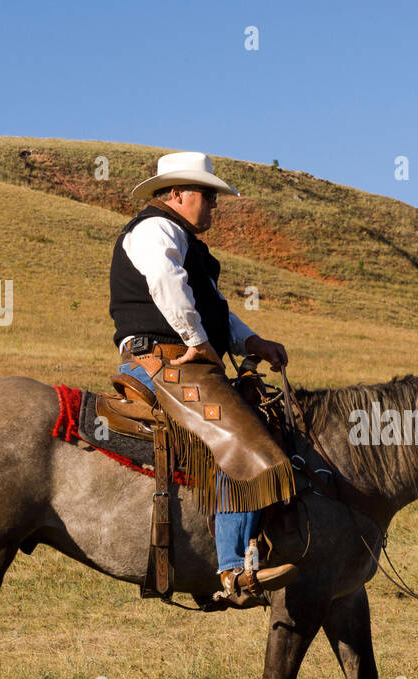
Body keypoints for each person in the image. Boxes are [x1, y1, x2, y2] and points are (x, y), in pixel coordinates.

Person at [110, 151, 296, 608]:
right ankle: (235, 570)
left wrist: (252, 343)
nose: (214, 206)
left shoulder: (186, 240)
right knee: (244, 441)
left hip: (183, 359)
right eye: (207, 196)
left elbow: (216, 309)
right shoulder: (154, 229)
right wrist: (198, 341)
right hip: (165, 362)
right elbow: (165, 284)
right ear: (176, 194)